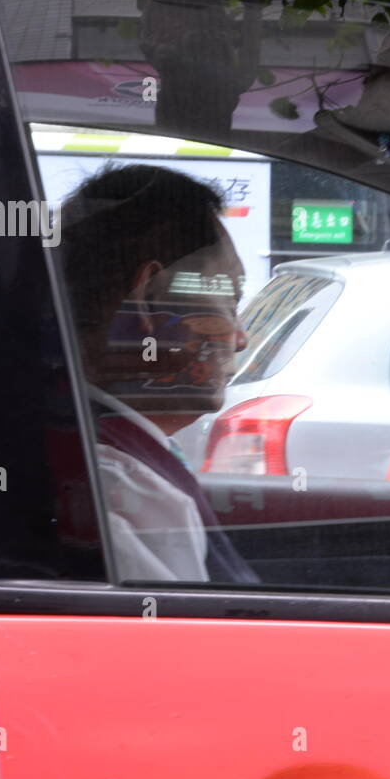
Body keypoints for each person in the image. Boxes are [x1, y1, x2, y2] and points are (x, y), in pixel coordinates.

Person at [58, 163, 258, 584]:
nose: (239, 339)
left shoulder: (95, 454)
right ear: (146, 300)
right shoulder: (122, 491)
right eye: (231, 300)